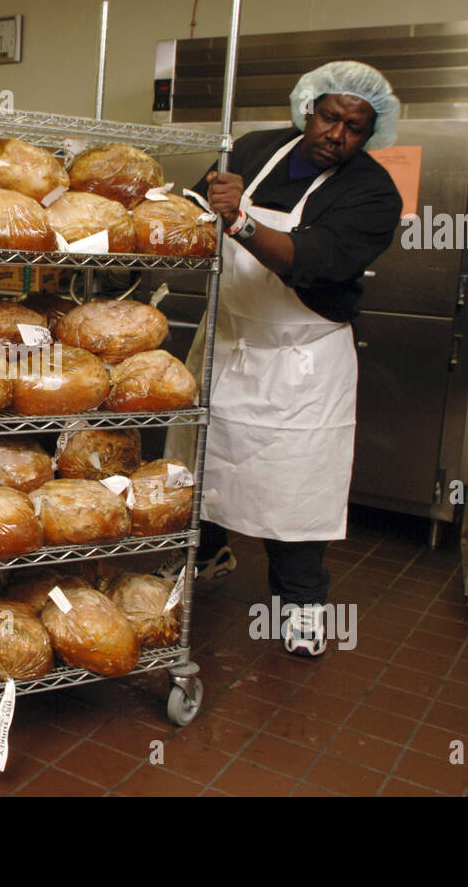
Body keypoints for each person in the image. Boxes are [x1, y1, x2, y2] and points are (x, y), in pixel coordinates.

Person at [181, 61, 403, 657]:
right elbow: (200, 208)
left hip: (298, 360)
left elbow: (312, 258)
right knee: (199, 464)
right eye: (330, 117)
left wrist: (241, 221)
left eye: (355, 127)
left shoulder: (373, 193)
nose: (338, 134)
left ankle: (300, 607)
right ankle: (205, 553)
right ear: (308, 108)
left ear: (369, 133)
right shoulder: (256, 148)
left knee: (294, 490)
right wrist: (204, 203)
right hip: (227, 337)